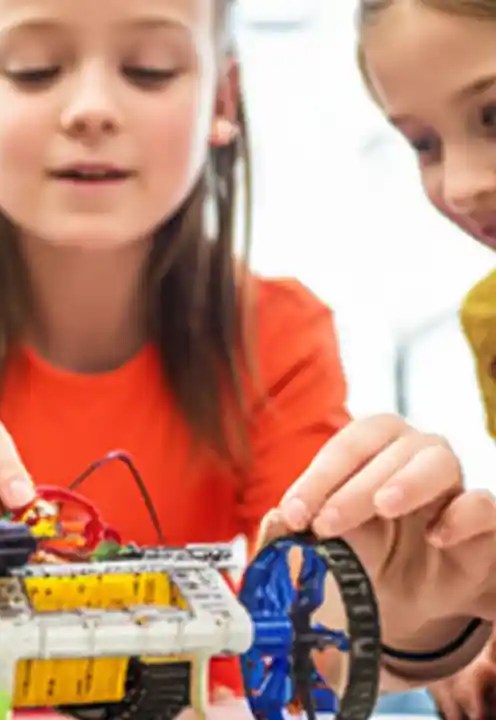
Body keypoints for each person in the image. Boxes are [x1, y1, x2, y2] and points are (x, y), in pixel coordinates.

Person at [0, 0, 496, 707]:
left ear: (222, 100)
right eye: (35, 72)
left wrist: (423, 612)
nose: (91, 111)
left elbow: (319, 627)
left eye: (148, 70)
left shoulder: (279, 339)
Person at [357, 1, 496, 716]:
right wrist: (449, 636)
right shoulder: (492, 318)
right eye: (423, 144)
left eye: (494, 116)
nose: (462, 185)